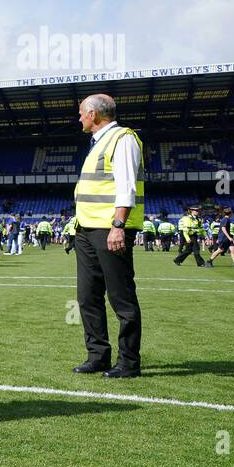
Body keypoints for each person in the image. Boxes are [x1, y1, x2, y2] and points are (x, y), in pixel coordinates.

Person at [71, 93, 144, 379]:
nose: (79, 118)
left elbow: (126, 185)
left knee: (121, 297)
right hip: (86, 230)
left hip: (108, 229)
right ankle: (98, 356)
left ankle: (128, 362)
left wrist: (118, 225)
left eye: (81, 113)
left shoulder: (123, 138)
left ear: (93, 114)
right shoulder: (97, 143)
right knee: (87, 296)